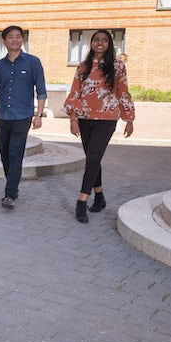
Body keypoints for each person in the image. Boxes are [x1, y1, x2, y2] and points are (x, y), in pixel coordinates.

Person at [62, 30, 135, 223]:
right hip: (85, 118)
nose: (100, 43)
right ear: (92, 43)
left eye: (104, 40)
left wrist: (129, 118)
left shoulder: (117, 66)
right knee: (93, 158)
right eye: (96, 40)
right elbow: (75, 92)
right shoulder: (83, 66)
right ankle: (100, 196)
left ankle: (81, 200)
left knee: (93, 158)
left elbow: (123, 92)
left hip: (107, 119)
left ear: (109, 44)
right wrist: (73, 118)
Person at [0, 25, 47, 209]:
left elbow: (41, 91)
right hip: (3, 116)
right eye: (10, 37)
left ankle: (10, 195)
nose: (15, 40)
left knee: (15, 154)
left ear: (22, 40)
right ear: (4, 41)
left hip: (23, 116)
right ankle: (13, 186)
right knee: (5, 155)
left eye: (18, 36)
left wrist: (39, 115)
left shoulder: (33, 62)